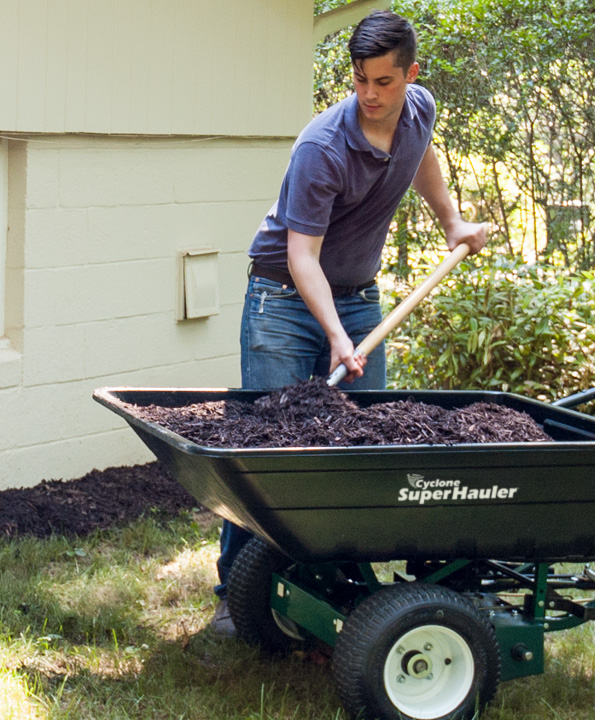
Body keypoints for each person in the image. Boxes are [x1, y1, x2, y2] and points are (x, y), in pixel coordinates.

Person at [211, 10, 489, 636]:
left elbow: (422, 157)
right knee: (269, 448)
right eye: (360, 79)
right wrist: (336, 334)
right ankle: (237, 593)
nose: (369, 94)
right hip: (283, 300)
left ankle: (340, 582)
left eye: (384, 82)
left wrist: (452, 222)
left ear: (410, 76)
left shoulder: (420, 109)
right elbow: (300, 257)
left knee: (364, 440)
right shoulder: (323, 146)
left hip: (359, 295)